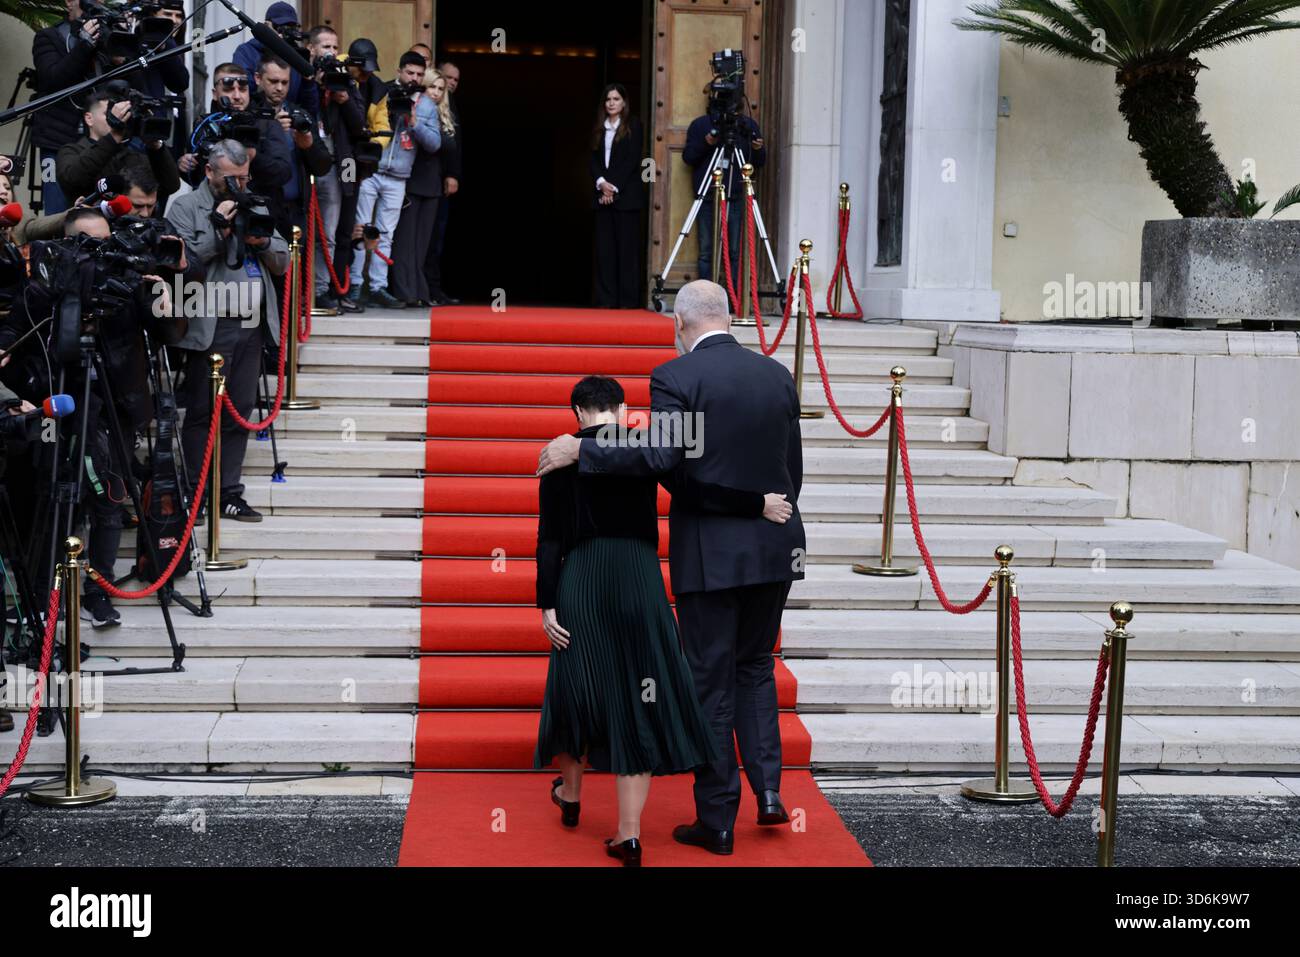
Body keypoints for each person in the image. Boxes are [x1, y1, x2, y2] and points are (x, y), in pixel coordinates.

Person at [537, 280, 805, 856]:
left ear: (679, 325)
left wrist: (582, 448)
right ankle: (770, 793)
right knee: (756, 667)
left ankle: (718, 819)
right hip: (776, 544)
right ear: (728, 319)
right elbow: (793, 471)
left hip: (712, 556)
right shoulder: (777, 374)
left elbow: (660, 456)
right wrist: (760, 508)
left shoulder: (678, 377)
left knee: (709, 679)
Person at [166, 139, 288, 523]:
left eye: (244, 177)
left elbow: (283, 260)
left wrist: (262, 240)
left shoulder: (254, 200)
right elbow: (183, 260)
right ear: (209, 172)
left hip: (251, 324)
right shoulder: (185, 206)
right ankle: (196, 492)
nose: (239, 185)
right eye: (231, 178)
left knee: (240, 411)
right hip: (211, 324)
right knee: (203, 412)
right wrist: (219, 228)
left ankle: (229, 493)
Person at [345, 52, 437, 310]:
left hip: (398, 177)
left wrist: (414, 122)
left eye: (419, 74)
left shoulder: (426, 104)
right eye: (410, 73)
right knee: (362, 228)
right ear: (399, 71)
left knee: (386, 234)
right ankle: (354, 284)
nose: (414, 78)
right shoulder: (381, 91)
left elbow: (434, 144)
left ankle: (378, 287)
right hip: (372, 171)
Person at [308, 25, 366, 312]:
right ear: (312, 50)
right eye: (326, 47)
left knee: (338, 230)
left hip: (343, 164)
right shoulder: (304, 77)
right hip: (312, 162)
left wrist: (343, 99)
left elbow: (360, 127)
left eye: (334, 47)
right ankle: (313, 289)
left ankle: (330, 289)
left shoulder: (346, 81)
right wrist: (315, 84)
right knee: (317, 231)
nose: (331, 52)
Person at [31, 1, 107, 215]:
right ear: (69, 1)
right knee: (57, 215)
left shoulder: (109, 38)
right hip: (57, 141)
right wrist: (83, 44)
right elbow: (53, 79)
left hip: (100, 144)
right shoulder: (49, 37)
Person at [682, 101, 766, 289]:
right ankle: (705, 294)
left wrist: (758, 149)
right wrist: (707, 143)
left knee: (735, 251)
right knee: (706, 251)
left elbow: (759, 162)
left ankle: (734, 295)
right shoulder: (701, 125)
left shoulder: (747, 126)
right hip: (708, 195)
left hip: (735, 195)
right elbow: (688, 157)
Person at [56, 85, 181, 210]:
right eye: (108, 113)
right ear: (89, 119)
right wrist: (114, 136)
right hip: (90, 224)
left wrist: (155, 146)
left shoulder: (133, 157)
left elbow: (170, 186)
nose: (118, 118)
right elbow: (73, 180)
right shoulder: (71, 151)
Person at [388, 68, 453, 307]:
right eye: (431, 87)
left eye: (440, 88)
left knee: (423, 242)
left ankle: (419, 291)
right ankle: (405, 291)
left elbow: (447, 148)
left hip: (432, 183)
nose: (435, 93)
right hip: (410, 179)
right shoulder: (411, 109)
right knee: (405, 241)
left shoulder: (443, 113)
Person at [252, 54, 333, 240]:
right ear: (258, 79)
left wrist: (308, 146)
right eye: (273, 81)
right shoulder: (250, 113)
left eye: (284, 82)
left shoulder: (299, 114)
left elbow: (323, 166)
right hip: (260, 206)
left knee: (297, 267)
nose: (279, 88)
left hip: (295, 210)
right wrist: (271, 129)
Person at [589, 84, 644, 309]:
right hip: (602, 198)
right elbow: (592, 159)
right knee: (605, 252)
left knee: (626, 252)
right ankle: (606, 301)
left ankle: (628, 303)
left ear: (624, 103)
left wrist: (613, 187)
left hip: (626, 199)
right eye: (608, 99)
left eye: (616, 99)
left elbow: (632, 159)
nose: (611, 103)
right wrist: (602, 184)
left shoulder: (634, 125)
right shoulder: (598, 128)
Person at [233, 1, 318, 115]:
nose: (285, 32)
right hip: (258, 118)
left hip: (290, 122)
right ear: (267, 25)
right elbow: (244, 89)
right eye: (280, 27)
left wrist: (308, 76)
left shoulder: (298, 56)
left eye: (291, 27)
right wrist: (272, 46)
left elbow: (309, 106)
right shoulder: (246, 51)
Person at [424, 59, 462, 305]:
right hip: (422, 182)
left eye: (455, 80)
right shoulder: (425, 106)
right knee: (424, 239)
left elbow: (456, 147)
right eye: (448, 78)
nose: (450, 84)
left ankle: (433, 289)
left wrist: (453, 174)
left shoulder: (449, 108)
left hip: (439, 183)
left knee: (436, 237)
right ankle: (422, 288)